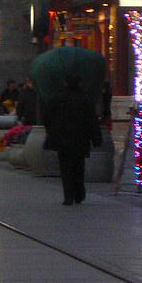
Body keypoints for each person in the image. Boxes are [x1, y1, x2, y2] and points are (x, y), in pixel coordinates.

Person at [43, 74, 101, 206]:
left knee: (65, 167)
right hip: (80, 138)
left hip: (62, 139)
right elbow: (92, 120)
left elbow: (46, 117)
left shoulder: (57, 99)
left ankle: (68, 195)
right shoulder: (84, 99)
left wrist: (52, 131)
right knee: (79, 166)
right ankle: (79, 192)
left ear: (65, 83)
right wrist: (95, 137)